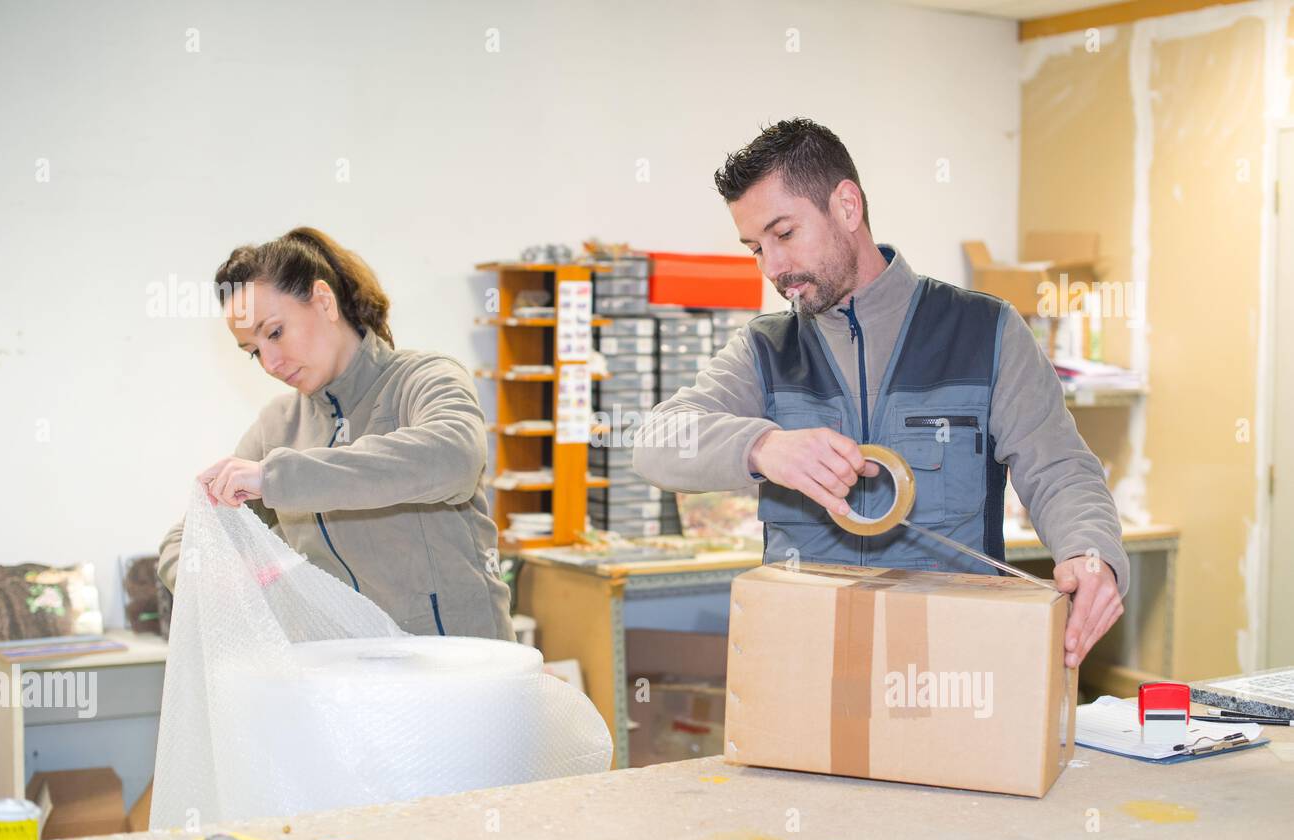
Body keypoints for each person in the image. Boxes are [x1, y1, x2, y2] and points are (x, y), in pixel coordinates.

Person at [633, 119, 1126, 668]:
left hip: (952, 672)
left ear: (847, 206)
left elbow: (1058, 468)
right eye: (755, 248)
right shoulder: (765, 350)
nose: (772, 267)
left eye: (785, 234)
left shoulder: (985, 332)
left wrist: (1092, 553)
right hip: (806, 671)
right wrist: (763, 447)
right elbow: (656, 441)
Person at [157, 226, 515, 641]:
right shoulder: (278, 426)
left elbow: (453, 458)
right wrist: (210, 578)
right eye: (254, 352)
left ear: (324, 301)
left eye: (274, 332)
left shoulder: (421, 379)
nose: (270, 362)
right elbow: (188, 536)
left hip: (459, 670)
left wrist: (274, 478)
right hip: (348, 680)